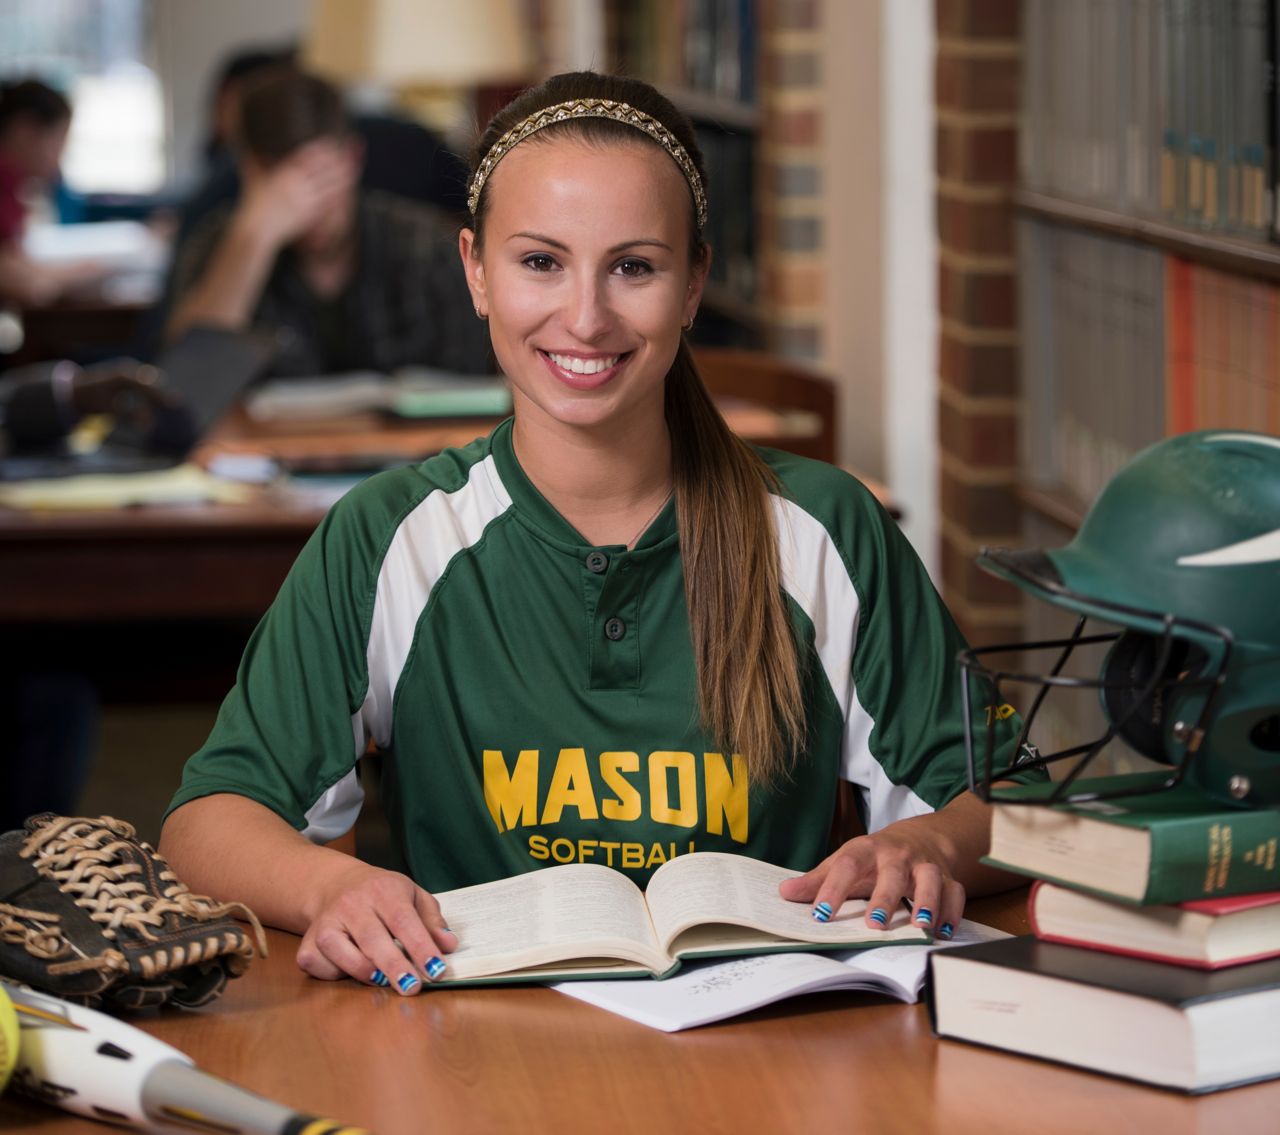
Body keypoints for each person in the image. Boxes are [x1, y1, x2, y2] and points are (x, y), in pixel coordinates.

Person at [159, 71, 1039, 997]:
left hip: (775, 1037)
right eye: (541, 261)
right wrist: (330, 885)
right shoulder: (387, 535)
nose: (585, 318)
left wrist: (930, 842)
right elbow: (207, 821)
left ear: (693, 284)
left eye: (634, 267)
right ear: (475, 271)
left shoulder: (827, 529)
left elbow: (1014, 801)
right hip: (466, 1036)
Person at [164, 68, 489, 378]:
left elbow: (481, 383)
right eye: (283, 187)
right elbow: (190, 379)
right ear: (249, 173)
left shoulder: (425, 246)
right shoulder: (221, 243)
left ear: (352, 158)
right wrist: (254, 238)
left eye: (319, 177)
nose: (306, 205)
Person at [0, 79, 104, 308]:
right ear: (24, 132)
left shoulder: (12, 189)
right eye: (58, 142)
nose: (59, 159)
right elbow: (30, 287)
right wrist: (85, 272)